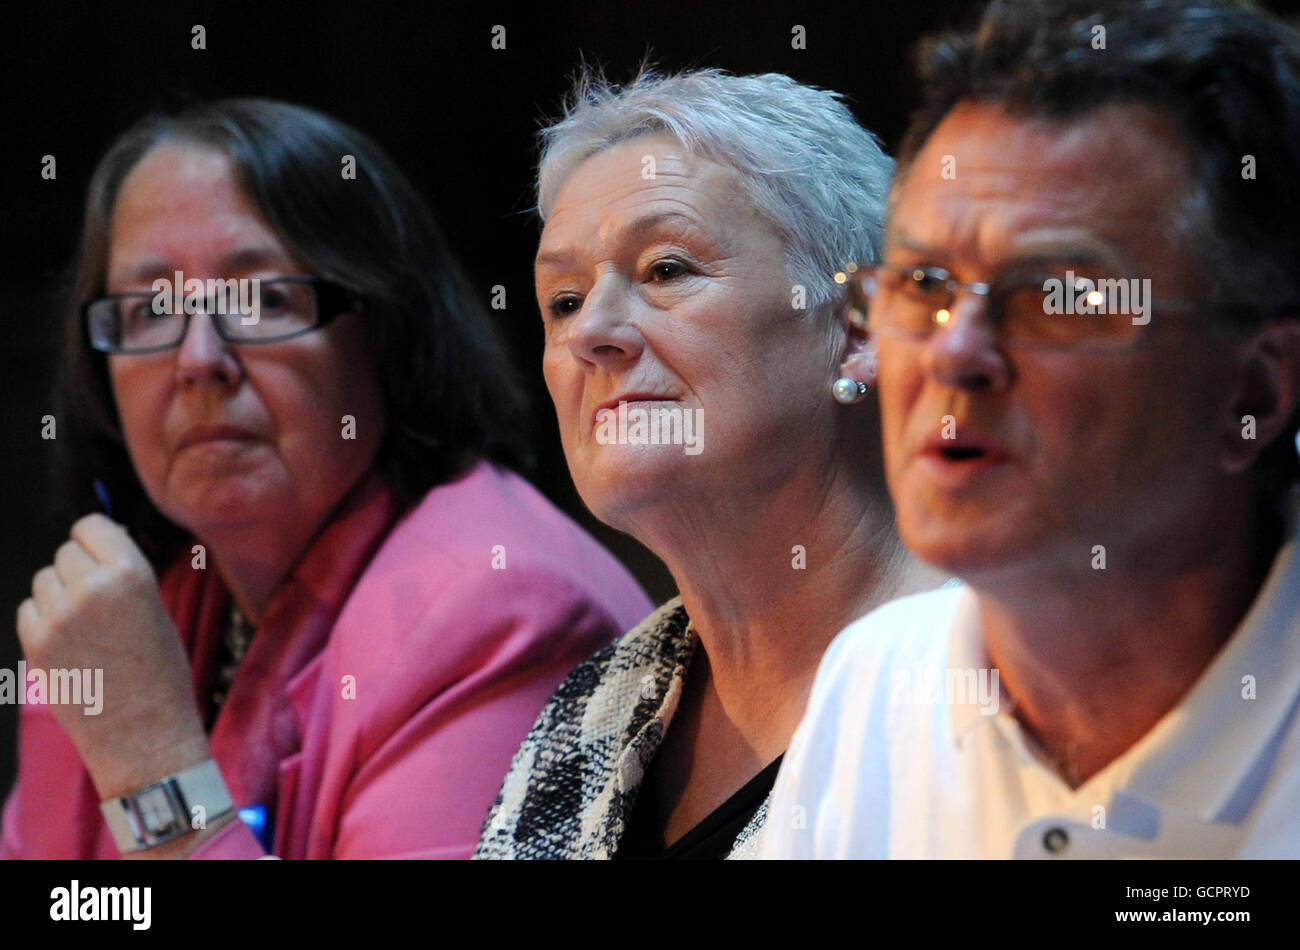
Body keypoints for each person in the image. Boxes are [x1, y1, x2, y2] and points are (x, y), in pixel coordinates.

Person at [2, 98, 651, 860]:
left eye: (264, 299)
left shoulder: (501, 612)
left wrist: (151, 767)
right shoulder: (133, 601)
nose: (198, 359)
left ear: (383, 332)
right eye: (150, 310)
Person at [764, 0, 1300, 859]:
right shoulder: (873, 684)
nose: (956, 353)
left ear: (1259, 389)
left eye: (1058, 297)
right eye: (924, 284)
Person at [475, 68, 942, 860]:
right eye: (563, 301)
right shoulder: (587, 714)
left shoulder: (1000, 686)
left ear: (861, 327)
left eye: (665, 270)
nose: (593, 332)